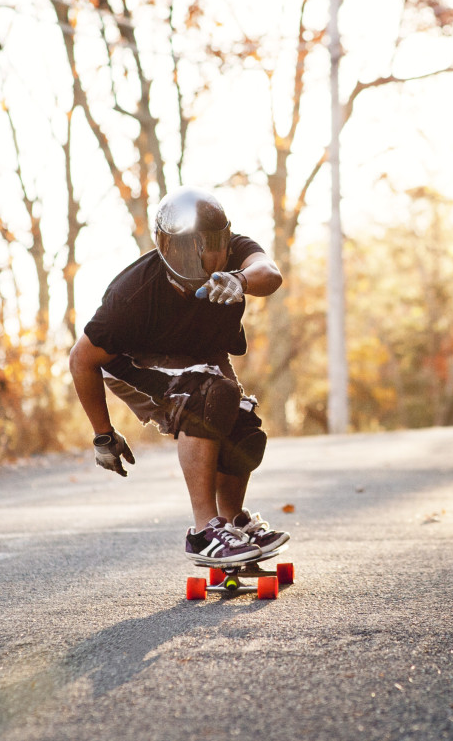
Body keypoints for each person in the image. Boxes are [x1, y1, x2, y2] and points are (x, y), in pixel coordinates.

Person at [69, 187, 289, 567]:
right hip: (135, 364)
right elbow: (81, 359)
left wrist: (241, 281)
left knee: (242, 424)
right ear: (166, 247)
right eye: (192, 247)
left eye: (214, 243)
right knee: (208, 398)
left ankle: (233, 524)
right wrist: (103, 435)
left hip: (200, 358)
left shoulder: (234, 255)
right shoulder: (132, 296)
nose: (207, 256)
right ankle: (205, 531)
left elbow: (269, 273)